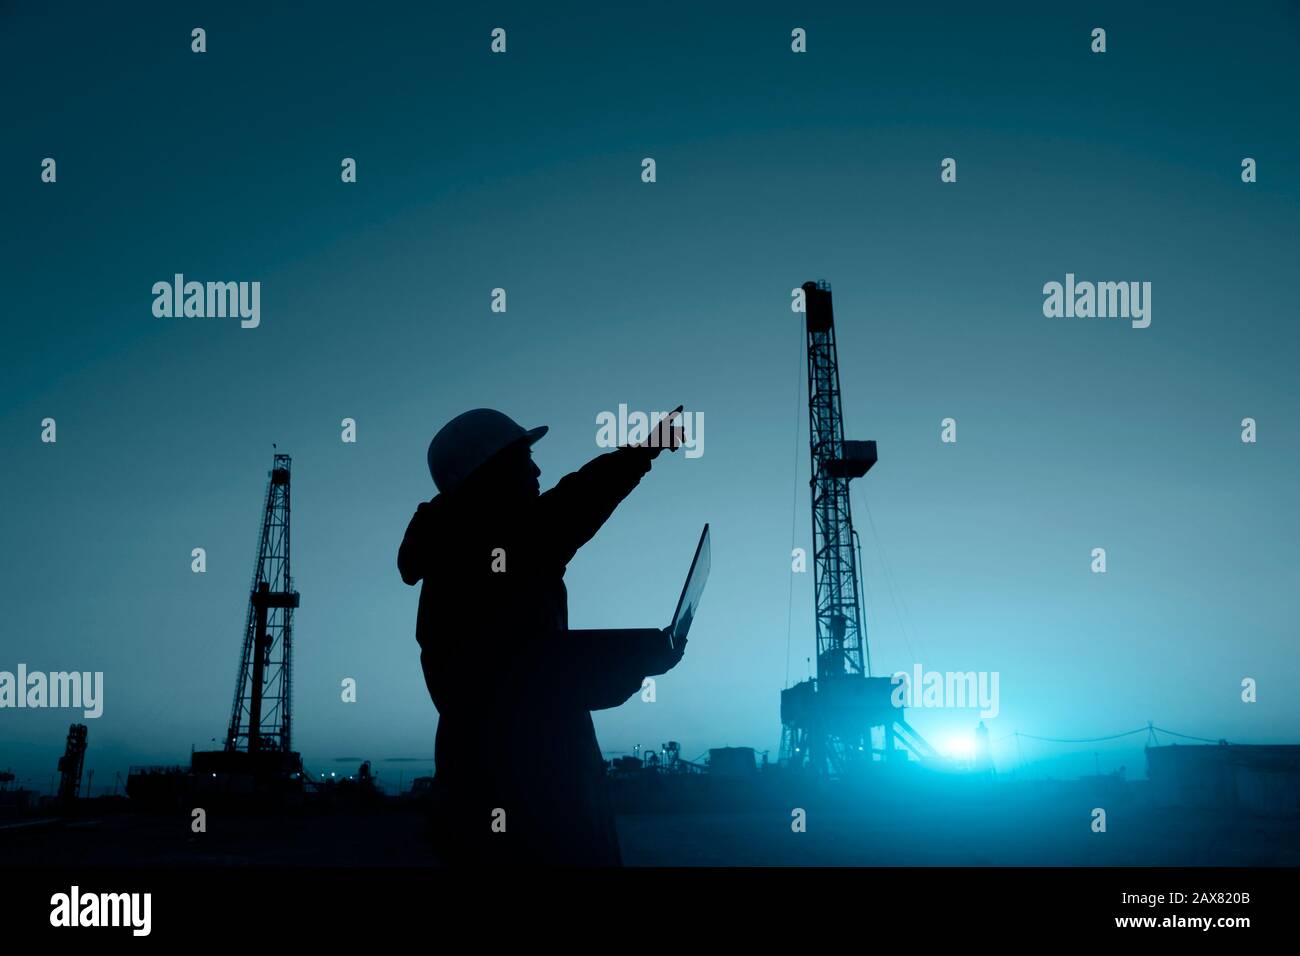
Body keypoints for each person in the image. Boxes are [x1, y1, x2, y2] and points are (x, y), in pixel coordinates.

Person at [397, 407, 687, 865]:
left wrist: (646, 449)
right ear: (489, 477)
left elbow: (577, 503)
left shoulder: (474, 548)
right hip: (526, 809)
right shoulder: (485, 554)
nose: (536, 470)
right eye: (523, 460)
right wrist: (645, 652)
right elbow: (530, 674)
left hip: (502, 800)